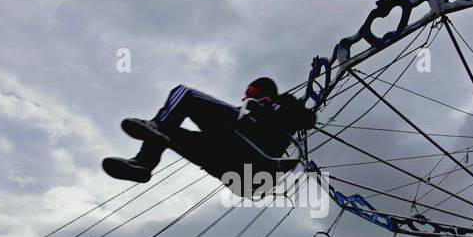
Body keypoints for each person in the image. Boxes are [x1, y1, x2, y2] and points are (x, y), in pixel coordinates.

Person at [102, 77, 316, 184]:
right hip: (219, 154)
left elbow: (308, 119)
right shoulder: (248, 111)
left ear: (261, 90)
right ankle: (142, 165)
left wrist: (270, 106)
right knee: (167, 133)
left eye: (249, 93)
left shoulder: (283, 103)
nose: (245, 98)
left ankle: (153, 136)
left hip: (250, 151)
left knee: (185, 94)